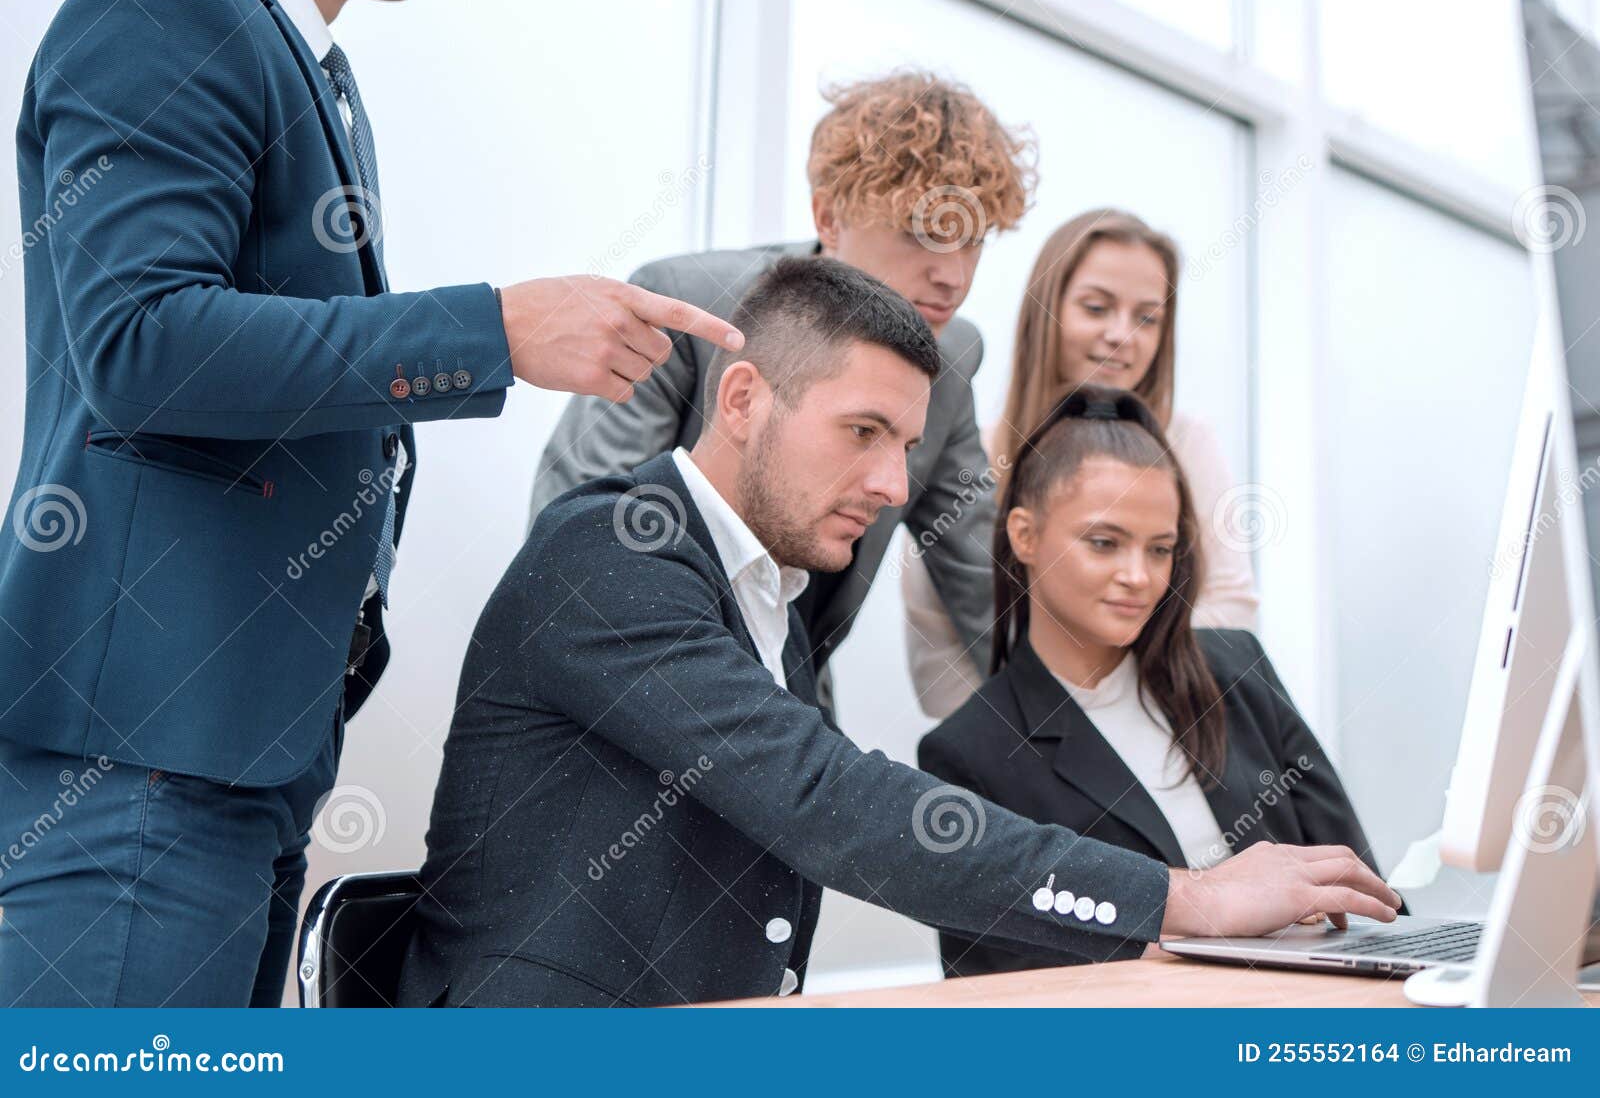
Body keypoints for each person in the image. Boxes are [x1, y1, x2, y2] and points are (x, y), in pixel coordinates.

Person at [0, 0, 738, 1008]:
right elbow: (141, 343)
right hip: (141, 748)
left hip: (245, 758)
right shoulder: (167, 6)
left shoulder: (319, 79)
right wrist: (493, 329)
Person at [401, 259, 1399, 1007]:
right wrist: (1183, 899)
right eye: (863, 432)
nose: (892, 486)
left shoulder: (768, 598)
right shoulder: (607, 555)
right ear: (742, 399)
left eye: (908, 447)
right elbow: (825, 799)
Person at [530, 71, 1037, 706]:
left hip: (799, 698)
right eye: (921, 232)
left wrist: (1076, 722)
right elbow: (577, 533)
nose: (953, 277)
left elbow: (981, 578)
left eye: (974, 239)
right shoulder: (687, 306)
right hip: (635, 688)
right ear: (829, 215)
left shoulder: (952, 358)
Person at [918, 387, 1391, 979]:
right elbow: (1000, 991)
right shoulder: (970, 753)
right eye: (1104, 543)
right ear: (1024, 535)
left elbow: (1365, 892)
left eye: (1160, 549)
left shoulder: (1236, 669)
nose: (1139, 576)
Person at [903, 207, 1258, 717]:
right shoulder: (970, 458)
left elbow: (1233, 612)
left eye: (1147, 318)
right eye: (1096, 308)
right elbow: (938, 664)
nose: (1122, 335)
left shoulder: (1187, 443)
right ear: (1045, 312)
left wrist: (1112, 709)